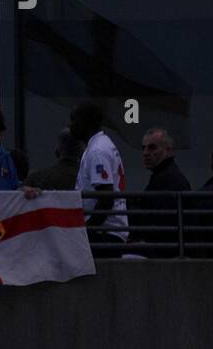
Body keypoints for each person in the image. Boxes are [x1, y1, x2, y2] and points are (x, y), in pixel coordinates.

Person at [70, 103, 128, 246]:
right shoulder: (99, 145)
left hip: (106, 233)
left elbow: (106, 200)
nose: (70, 125)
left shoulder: (97, 151)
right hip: (108, 231)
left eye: (74, 120)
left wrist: (87, 231)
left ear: (86, 123)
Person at [131, 127, 192, 257]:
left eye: (152, 148)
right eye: (144, 148)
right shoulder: (165, 177)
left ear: (168, 150)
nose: (145, 153)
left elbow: (160, 223)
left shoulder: (168, 180)